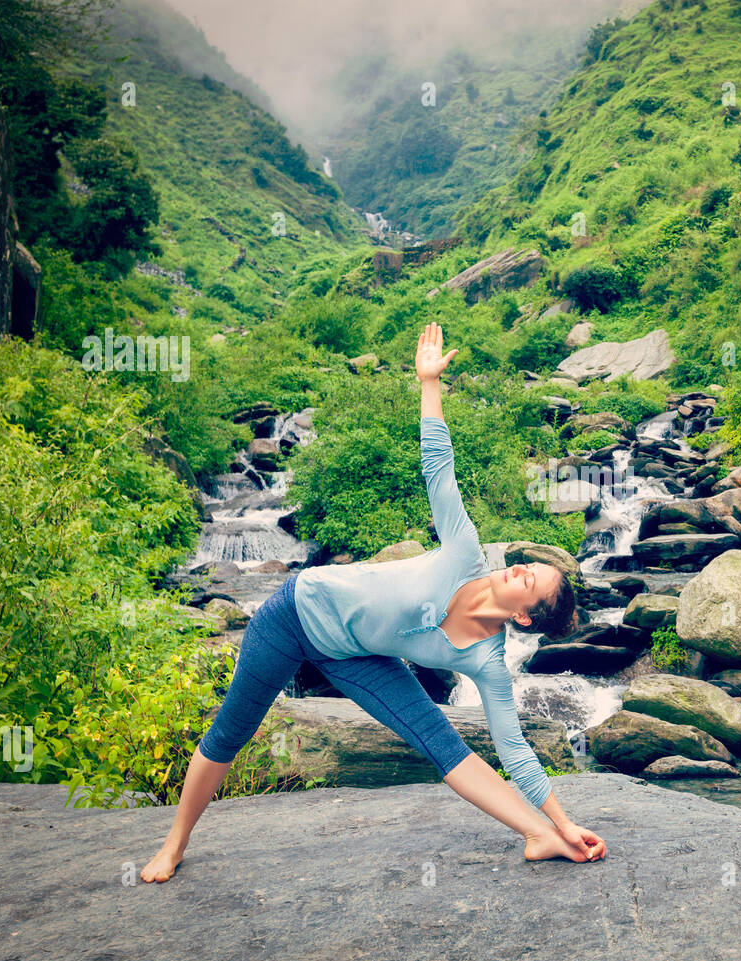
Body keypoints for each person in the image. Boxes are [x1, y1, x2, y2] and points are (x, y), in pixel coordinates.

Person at [141, 322, 606, 882]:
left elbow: (515, 751)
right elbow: (439, 469)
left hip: (357, 657)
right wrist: (428, 384)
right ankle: (174, 843)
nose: (520, 567)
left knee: (439, 739)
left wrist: (561, 823)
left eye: (529, 580)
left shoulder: (486, 663)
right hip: (294, 614)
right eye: (529, 564)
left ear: (524, 615)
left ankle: (537, 837)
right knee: (232, 731)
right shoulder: (465, 551)